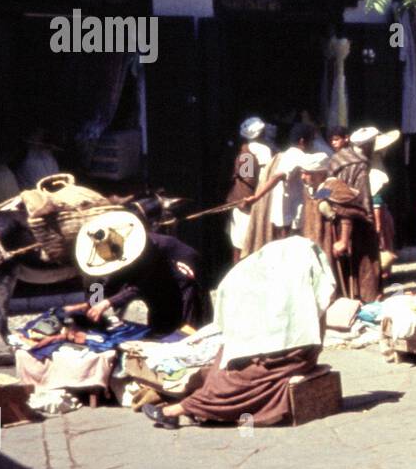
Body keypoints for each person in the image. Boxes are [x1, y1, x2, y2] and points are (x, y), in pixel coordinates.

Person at [142, 236, 335, 430]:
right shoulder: (289, 294)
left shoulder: (303, 299)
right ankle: (202, 408)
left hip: (291, 357)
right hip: (279, 352)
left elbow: (292, 343)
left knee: (237, 377)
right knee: (222, 361)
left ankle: (174, 412)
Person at [72, 210, 209, 336]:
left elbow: (141, 285)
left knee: (184, 326)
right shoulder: (109, 252)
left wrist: (108, 302)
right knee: (159, 323)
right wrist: (93, 301)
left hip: (179, 273)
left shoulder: (147, 247)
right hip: (151, 278)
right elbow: (106, 281)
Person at [240, 122, 321, 255]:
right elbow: (275, 177)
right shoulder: (284, 154)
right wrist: (256, 196)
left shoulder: (247, 150)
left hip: (277, 203)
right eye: (311, 140)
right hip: (286, 207)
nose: (312, 144)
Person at [324, 127, 384, 302]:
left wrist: (321, 200)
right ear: (369, 145)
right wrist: (371, 220)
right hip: (356, 220)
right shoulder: (361, 166)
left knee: (345, 266)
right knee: (366, 264)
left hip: (335, 216)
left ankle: (348, 300)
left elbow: (326, 187)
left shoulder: (335, 160)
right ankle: (367, 299)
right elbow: (362, 200)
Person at [227, 117, 274, 263]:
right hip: (253, 201)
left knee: (238, 243)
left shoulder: (242, 149)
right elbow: (262, 177)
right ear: (260, 133)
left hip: (240, 202)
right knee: (251, 242)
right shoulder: (263, 150)